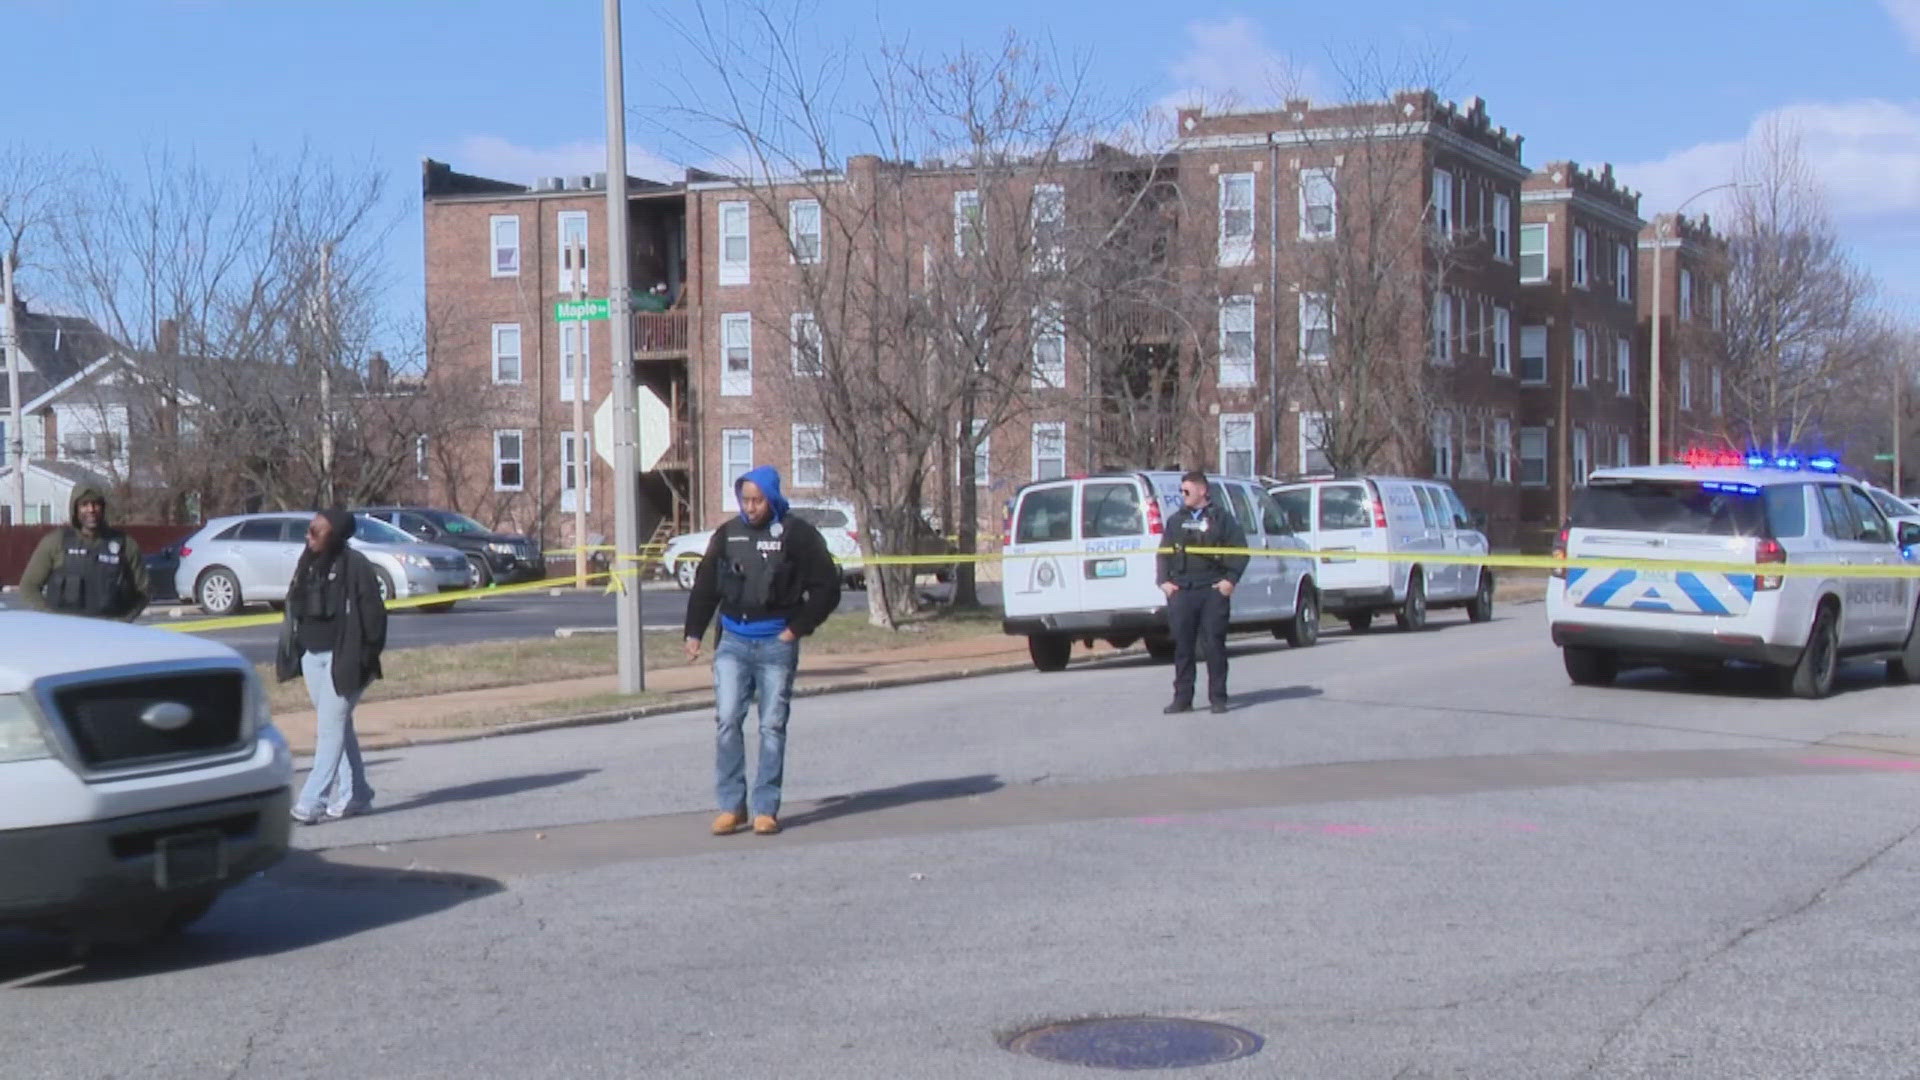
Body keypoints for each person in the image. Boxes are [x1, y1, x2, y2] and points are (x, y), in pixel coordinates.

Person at [683, 466, 841, 837]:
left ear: (771, 498)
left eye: (757, 500)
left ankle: (765, 808)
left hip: (775, 643)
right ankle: (730, 806)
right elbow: (706, 586)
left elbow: (827, 588)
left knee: (771, 725)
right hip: (734, 642)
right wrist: (694, 633)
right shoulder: (728, 534)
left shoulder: (797, 535)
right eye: (745, 500)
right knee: (727, 720)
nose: (750, 507)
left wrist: (797, 628)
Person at [277, 509, 387, 825]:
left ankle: (311, 802)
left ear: (334, 535)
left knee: (329, 729)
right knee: (338, 727)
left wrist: (364, 657)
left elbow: (375, 618)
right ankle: (359, 794)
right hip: (312, 655)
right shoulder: (307, 562)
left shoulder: (356, 566)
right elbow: (294, 606)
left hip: (346, 659)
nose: (308, 536)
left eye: (316, 531)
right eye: (309, 529)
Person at [1155, 471, 1249, 715]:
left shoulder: (1222, 519)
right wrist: (1164, 582)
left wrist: (1230, 580)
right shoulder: (1176, 521)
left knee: (1214, 645)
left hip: (1212, 589)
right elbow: (1163, 552)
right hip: (1183, 590)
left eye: (1187, 490)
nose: (1182, 495)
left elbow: (1240, 550)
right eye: (1181, 491)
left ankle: (1218, 697)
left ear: (1202, 490)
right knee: (1183, 647)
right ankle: (1182, 698)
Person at [16, 484, 149, 621]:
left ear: (103, 508)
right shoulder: (56, 542)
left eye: (95, 504)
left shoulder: (125, 545)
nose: (91, 510)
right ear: (75, 509)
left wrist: (123, 621)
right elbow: (28, 587)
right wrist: (51, 619)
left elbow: (143, 591)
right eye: (84, 505)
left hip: (110, 633)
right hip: (65, 633)